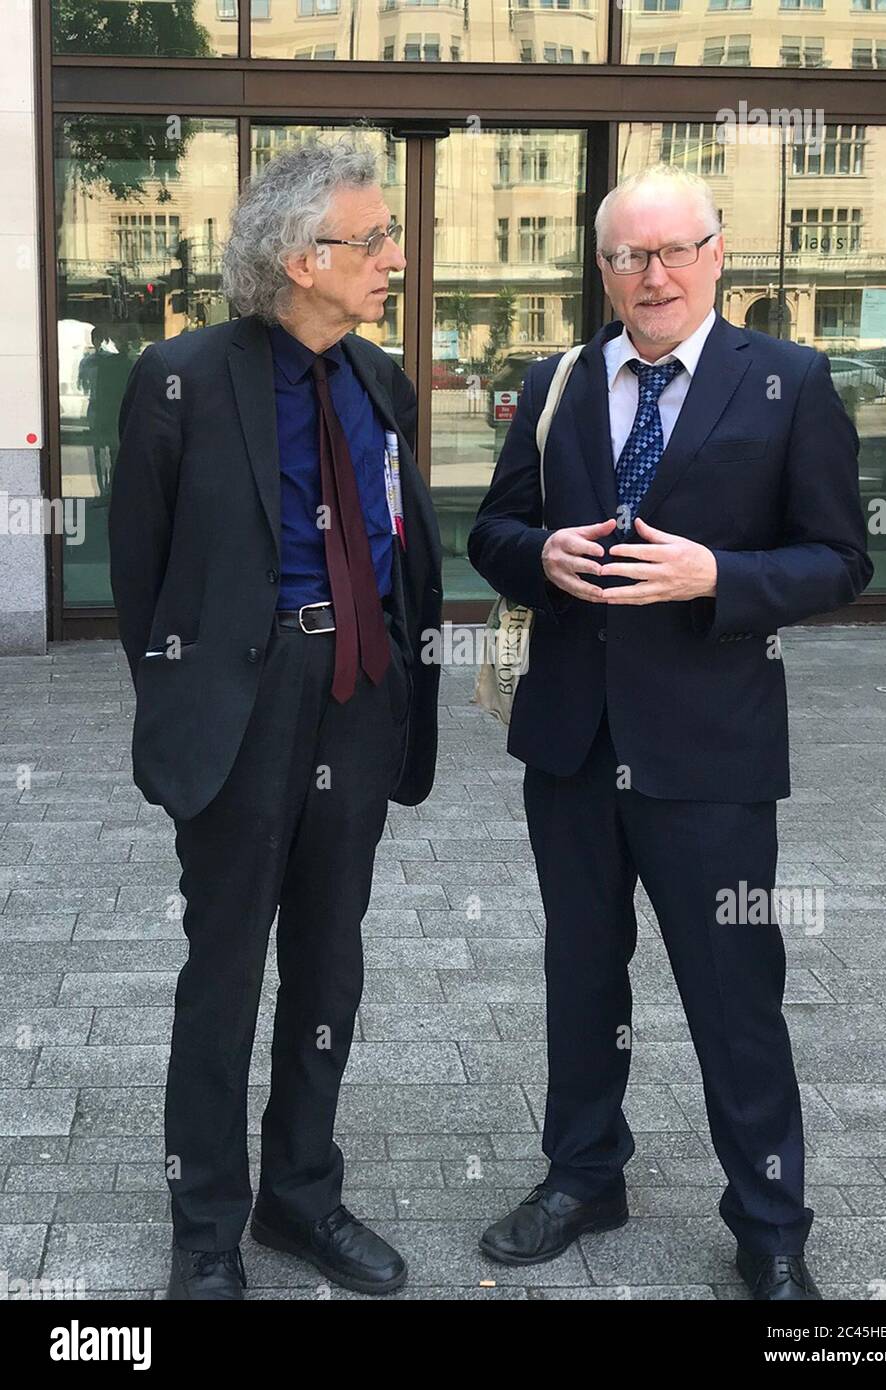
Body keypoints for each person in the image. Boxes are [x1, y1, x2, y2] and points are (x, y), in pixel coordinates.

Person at [467, 163, 872, 1301]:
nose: (651, 274)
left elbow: (841, 559)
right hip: (573, 743)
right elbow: (494, 526)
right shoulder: (554, 381)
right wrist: (533, 556)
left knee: (731, 987)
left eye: (672, 250)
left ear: (715, 251)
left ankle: (770, 1220)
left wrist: (717, 575)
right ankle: (583, 1174)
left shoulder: (788, 380)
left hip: (710, 752)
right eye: (626, 257)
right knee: (580, 974)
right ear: (600, 270)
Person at [109, 138, 443, 1300]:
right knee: (227, 965)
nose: (394, 257)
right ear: (303, 260)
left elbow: (403, 545)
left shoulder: (379, 380)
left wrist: (399, 669)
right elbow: (141, 576)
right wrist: (181, 705)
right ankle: (205, 1226)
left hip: (356, 695)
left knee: (329, 960)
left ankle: (300, 1196)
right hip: (244, 710)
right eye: (375, 239)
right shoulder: (180, 379)